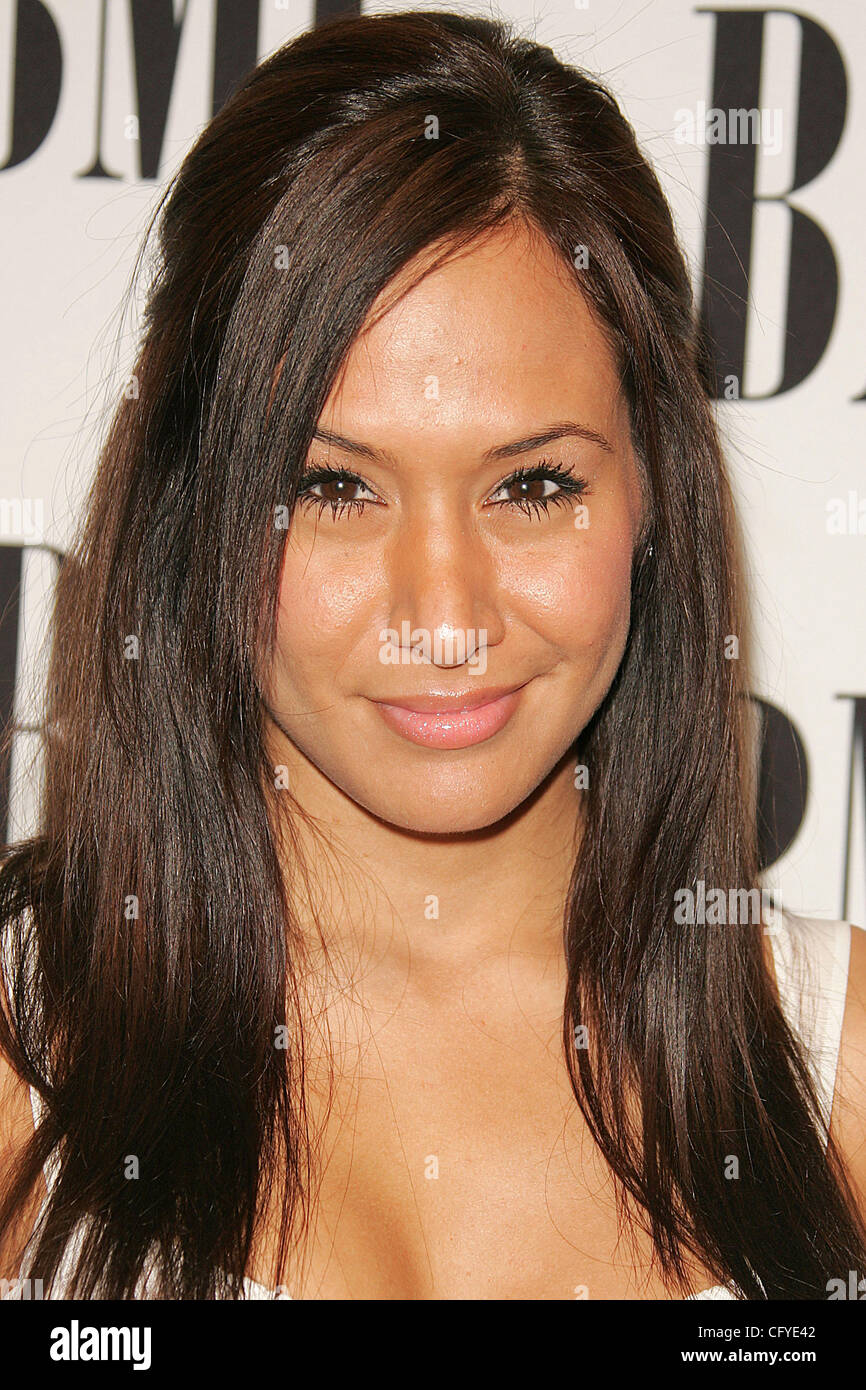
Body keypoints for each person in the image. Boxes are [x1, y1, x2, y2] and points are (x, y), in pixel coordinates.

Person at [1, 8, 864, 1301]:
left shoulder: (838, 1065)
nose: (443, 610)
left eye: (530, 485)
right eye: (334, 488)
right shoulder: (25, 1058)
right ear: (199, 504)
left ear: (651, 490)